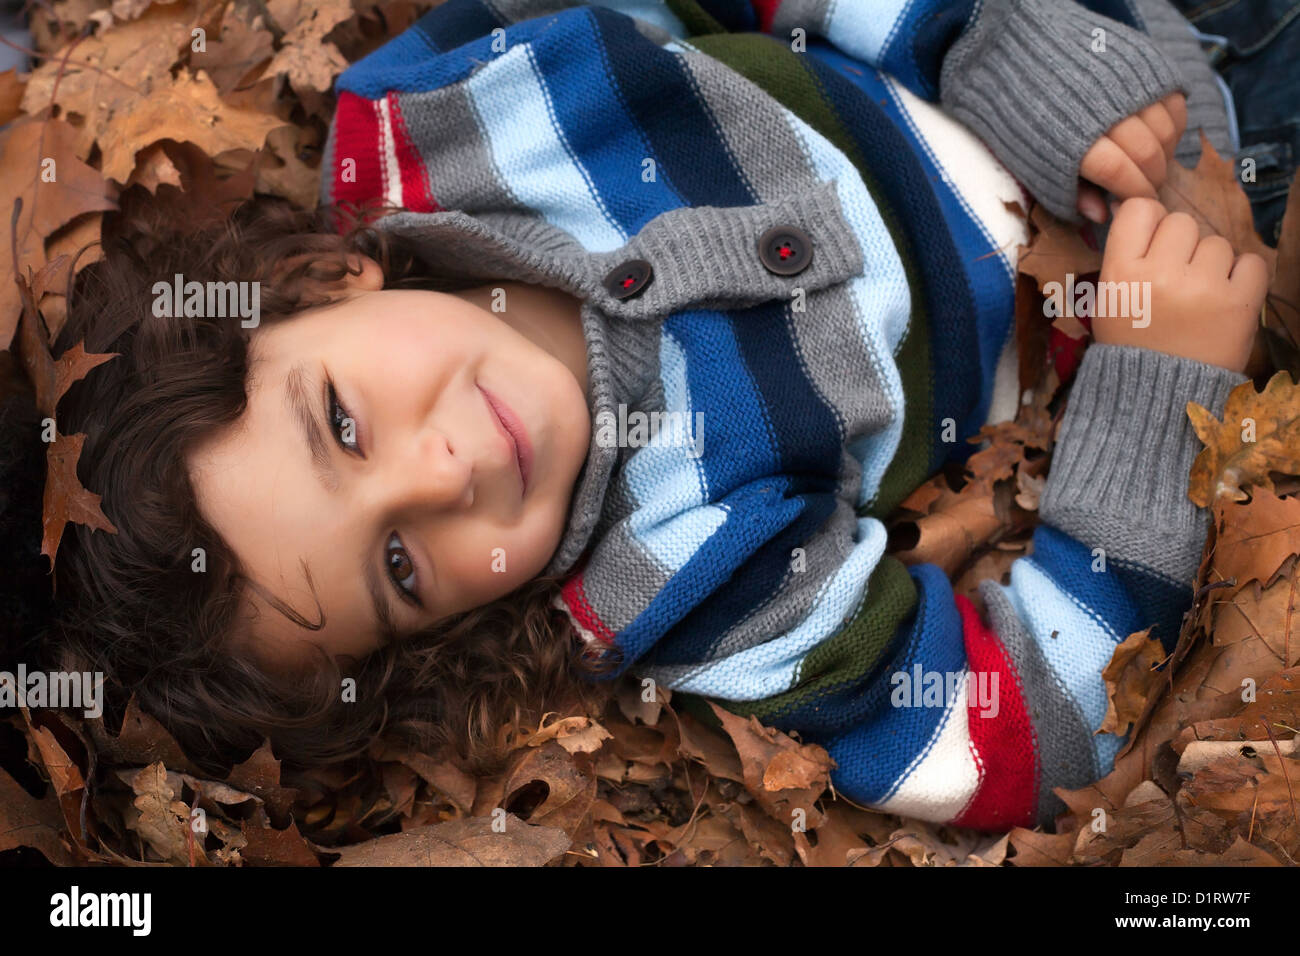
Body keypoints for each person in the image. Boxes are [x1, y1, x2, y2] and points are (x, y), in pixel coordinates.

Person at [14, 0, 1269, 832]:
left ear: (314, 282)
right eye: (397, 564)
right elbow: (1026, 722)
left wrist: (991, 47)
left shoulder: (462, 113)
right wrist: (1159, 381)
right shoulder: (699, 578)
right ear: (444, 630)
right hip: (1200, 226)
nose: (443, 467)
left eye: (342, 423)